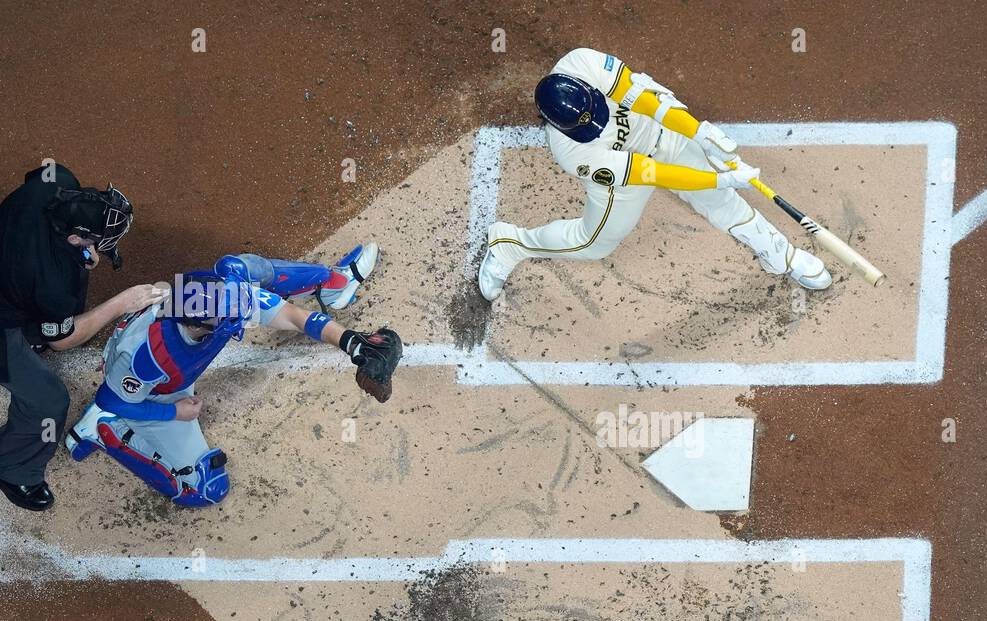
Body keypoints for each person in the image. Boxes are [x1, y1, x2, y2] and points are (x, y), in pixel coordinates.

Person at [477, 48, 833, 302]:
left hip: (662, 133)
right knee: (593, 243)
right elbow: (653, 173)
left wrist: (700, 133)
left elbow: (649, 102)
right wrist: (719, 179)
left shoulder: (582, 63)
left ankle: (779, 254)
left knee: (721, 202)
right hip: (626, 179)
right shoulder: (572, 152)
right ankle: (510, 244)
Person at [63, 245, 400, 507]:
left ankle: (332, 282)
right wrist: (174, 412)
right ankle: (101, 430)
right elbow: (112, 398)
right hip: (152, 392)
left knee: (238, 266)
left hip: (173, 376)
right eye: (229, 315)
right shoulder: (149, 355)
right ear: (196, 324)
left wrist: (348, 341)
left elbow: (295, 318)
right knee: (205, 490)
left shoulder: (213, 296)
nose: (239, 314)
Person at [0, 163, 163, 511]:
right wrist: (121, 302)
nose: (104, 243)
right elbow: (65, 339)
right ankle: (15, 469)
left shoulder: (55, 184)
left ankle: (33, 331)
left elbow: (41, 171)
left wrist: (80, 254)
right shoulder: (50, 281)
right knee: (49, 401)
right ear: (73, 236)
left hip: (10, 264)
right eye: (95, 238)